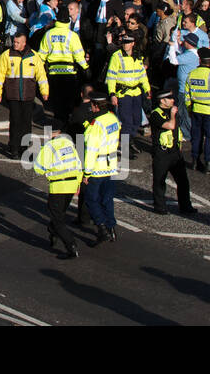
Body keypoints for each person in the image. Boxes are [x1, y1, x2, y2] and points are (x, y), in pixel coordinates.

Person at [0, 25, 48, 159]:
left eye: (17, 42)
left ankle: (24, 148)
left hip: (28, 95)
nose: (15, 44)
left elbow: (41, 75)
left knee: (26, 122)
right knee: (15, 121)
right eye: (14, 42)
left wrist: (44, 91)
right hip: (13, 94)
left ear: (24, 43)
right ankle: (14, 147)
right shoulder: (6, 55)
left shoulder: (34, 56)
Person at [33, 125, 82, 259]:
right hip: (72, 185)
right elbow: (78, 164)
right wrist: (78, 183)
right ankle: (53, 232)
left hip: (58, 187)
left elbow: (39, 169)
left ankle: (71, 245)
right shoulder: (69, 143)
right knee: (60, 213)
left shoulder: (49, 147)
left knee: (57, 219)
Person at [81, 94, 121, 246]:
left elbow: (91, 150)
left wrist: (87, 173)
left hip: (97, 167)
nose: (90, 108)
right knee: (107, 199)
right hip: (111, 166)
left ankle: (102, 228)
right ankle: (111, 228)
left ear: (96, 106)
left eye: (91, 105)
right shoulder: (112, 118)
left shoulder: (95, 124)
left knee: (91, 199)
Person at [37, 7, 88, 124]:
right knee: (68, 102)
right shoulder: (72, 36)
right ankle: (66, 125)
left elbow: (41, 56)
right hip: (69, 74)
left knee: (56, 103)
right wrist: (86, 68)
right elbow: (79, 55)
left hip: (53, 74)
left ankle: (58, 125)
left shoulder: (48, 34)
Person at [149, 91, 195, 215]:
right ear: (162, 101)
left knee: (183, 181)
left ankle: (185, 206)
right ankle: (160, 207)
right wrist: (173, 115)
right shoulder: (155, 114)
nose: (172, 100)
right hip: (162, 153)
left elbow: (176, 131)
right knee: (159, 180)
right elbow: (170, 126)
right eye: (169, 98)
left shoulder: (172, 112)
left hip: (175, 153)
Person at [105, 33, 148, 157]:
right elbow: (111, 76)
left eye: (128, 42)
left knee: (137, 119)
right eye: (124, 42)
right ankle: (125, 148)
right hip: (123, 93)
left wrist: (147, 89)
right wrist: (112, 94)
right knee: (127, 121)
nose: (126, 45)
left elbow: (142, 75)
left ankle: (130, 141)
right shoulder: (116, 56)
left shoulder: (138, 56)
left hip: (136, 92)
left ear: (133, 43)